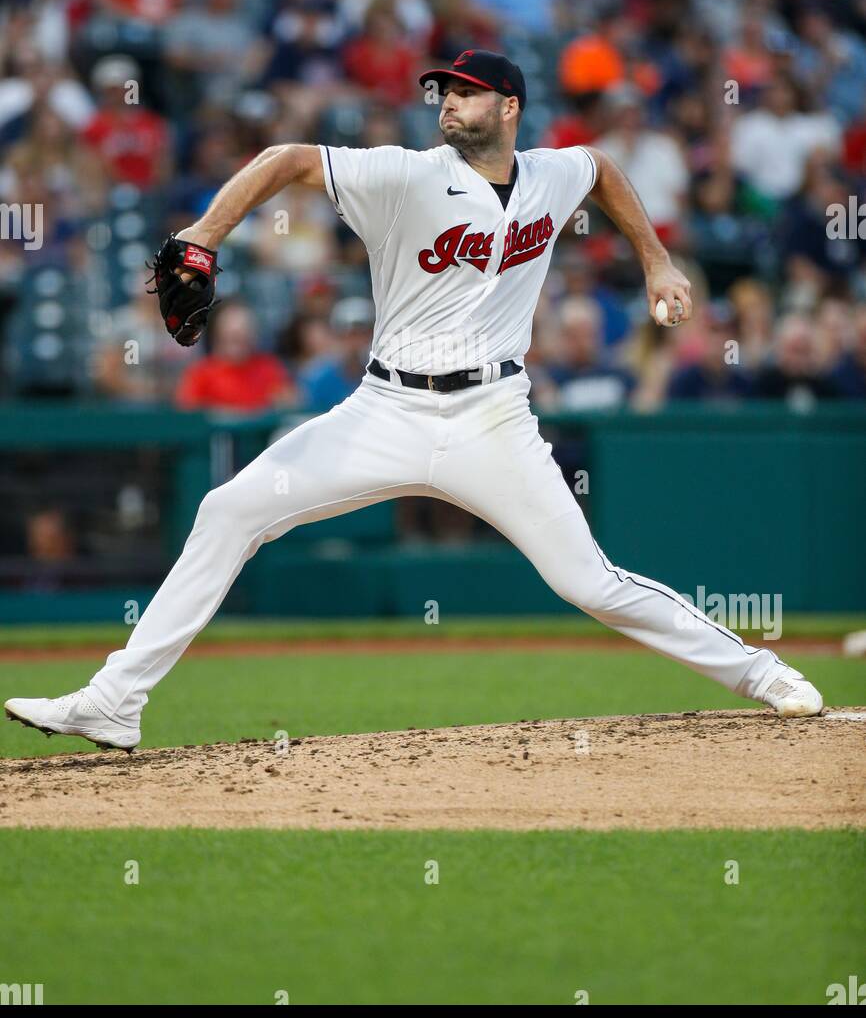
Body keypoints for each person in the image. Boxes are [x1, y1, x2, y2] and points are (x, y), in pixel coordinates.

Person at [5, 50, 822, 751]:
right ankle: (116, 702)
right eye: (443, 91)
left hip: (494, 419)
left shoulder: (548, 175)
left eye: (465, 92)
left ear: (509, 108)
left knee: (591, 584)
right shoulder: (404, 175)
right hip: (384, 412)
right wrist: (203, 237)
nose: (448, 102)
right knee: (228, 509)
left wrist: (657, 262)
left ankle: (765, 673)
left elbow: (602, 168)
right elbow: (288, 157)